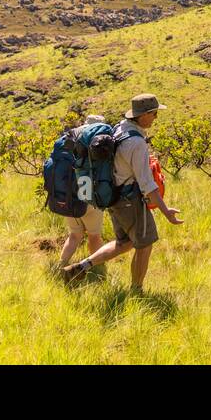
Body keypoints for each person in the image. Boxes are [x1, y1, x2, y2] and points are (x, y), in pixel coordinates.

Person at [62, 94, 184, 292]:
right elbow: (147, 183)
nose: (155, 118)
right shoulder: (137, 143)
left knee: (123, 243)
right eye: (154, 114)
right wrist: (165, 211)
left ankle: (79, 268)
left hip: (114, 197)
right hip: (131, 201)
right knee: (145, 245)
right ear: (143, 115)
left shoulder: (120, 128)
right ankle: (136, 291)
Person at [58, 114, 108, 269]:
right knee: (94, 235)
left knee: (74, 235)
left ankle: (60, 267)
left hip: (69, 196)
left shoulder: (71, 138)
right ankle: (97, 267)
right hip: (89, 195)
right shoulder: (97, 142)